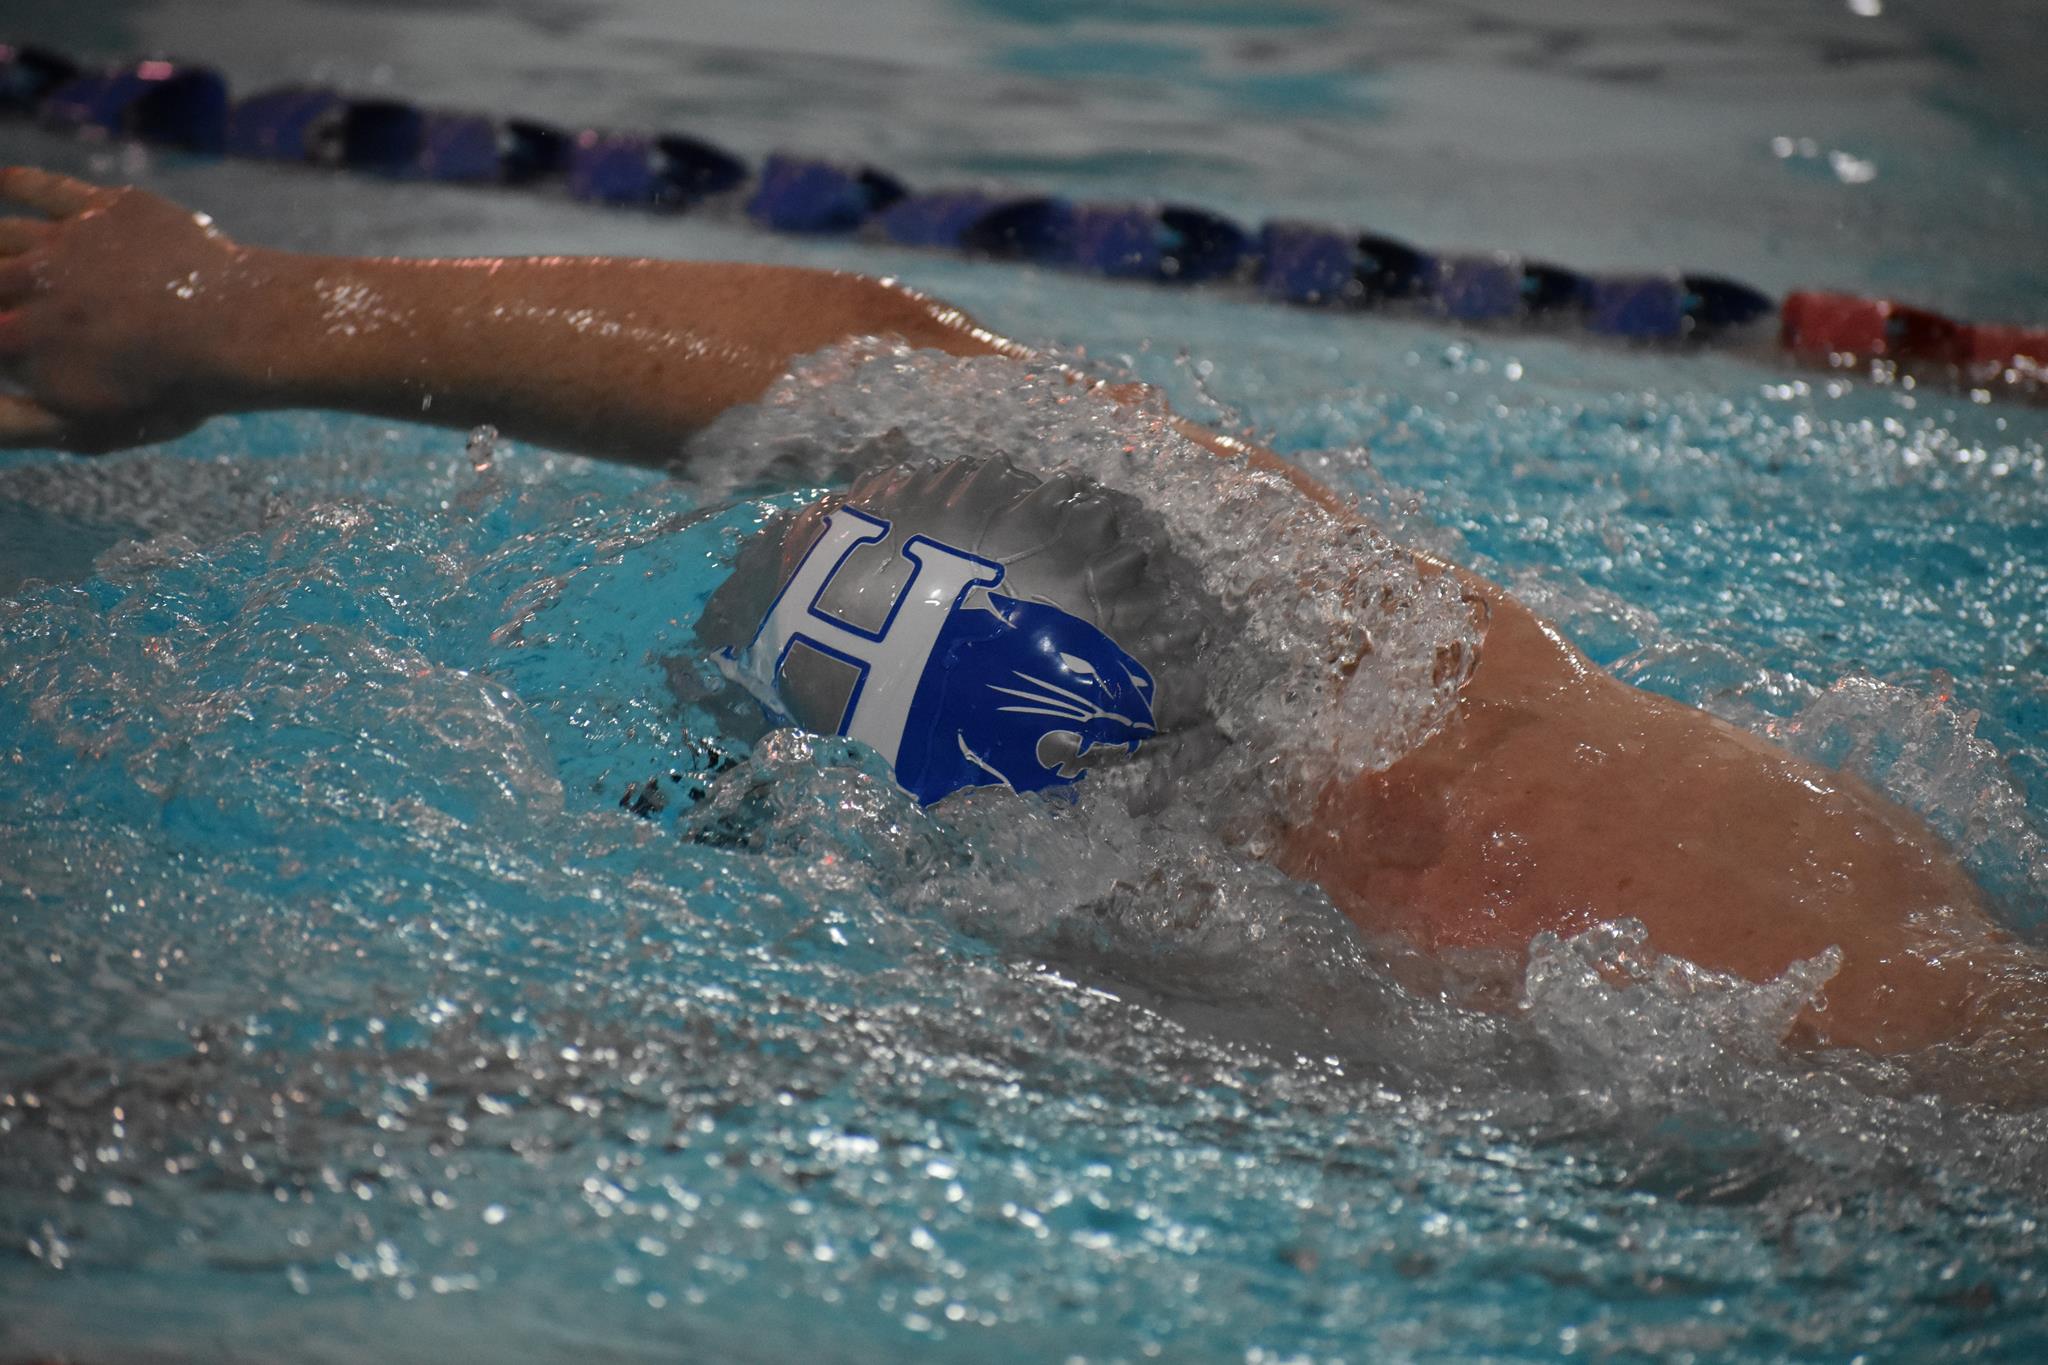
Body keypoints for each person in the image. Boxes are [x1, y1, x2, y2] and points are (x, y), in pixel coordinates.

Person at [0, 165, 2036, 1075]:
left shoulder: (1340, 984)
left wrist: (267, 323)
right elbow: (879, 367)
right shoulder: (1391, 665)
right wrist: (258, 318)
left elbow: (871, 365)